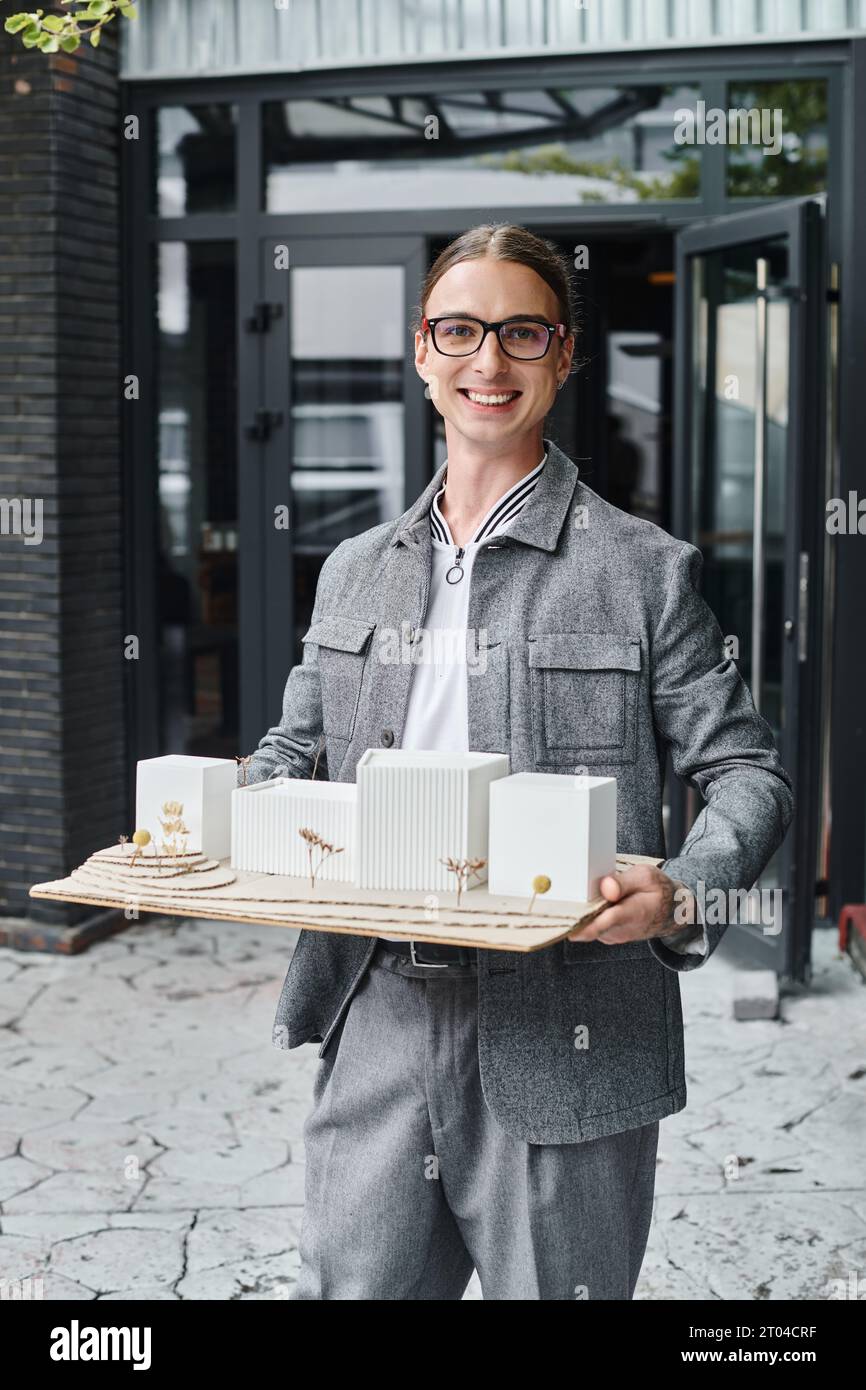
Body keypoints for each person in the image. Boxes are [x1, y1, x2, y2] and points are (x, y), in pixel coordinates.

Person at [242, 223, 794, 1300]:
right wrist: (234, 817)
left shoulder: (641, 570)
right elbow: (292, 747)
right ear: (419, 352)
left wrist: (679, 888)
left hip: (568, 1025)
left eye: (520, 333)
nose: (486, 362)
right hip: (378, 1013)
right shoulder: (352, 571)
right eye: (458, 330)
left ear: (563, 355)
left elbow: (746, 772)